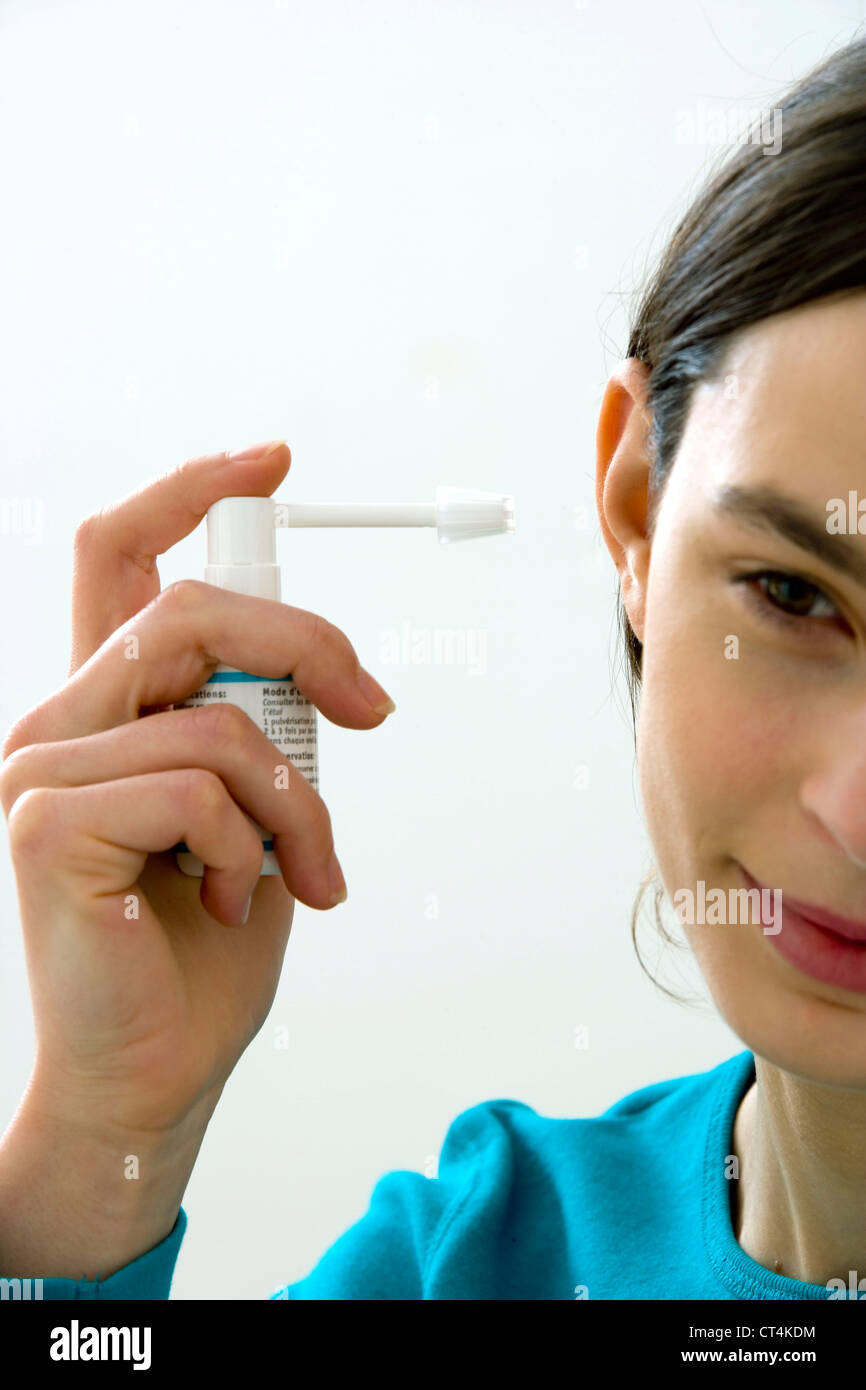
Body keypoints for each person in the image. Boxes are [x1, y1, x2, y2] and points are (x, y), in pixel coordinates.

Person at [2, 32, 866, 1301]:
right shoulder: (467, 1259)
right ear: (632, 505)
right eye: (790, 596)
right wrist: (105, 1133)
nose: (852, 817)